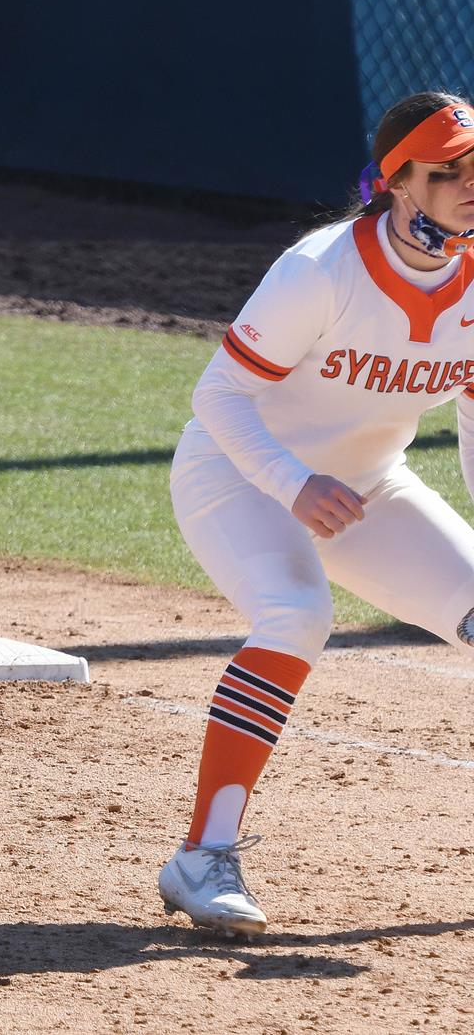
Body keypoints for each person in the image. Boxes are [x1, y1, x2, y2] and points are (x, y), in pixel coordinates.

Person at [159, 92, 474, 935]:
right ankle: (201, 858)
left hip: (369, 489)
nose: (470, 184)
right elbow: (219, 394)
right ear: (397, 183)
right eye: (448, 171)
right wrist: (293, 482)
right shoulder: (321, 269)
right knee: (297, 614)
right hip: (239, 476)